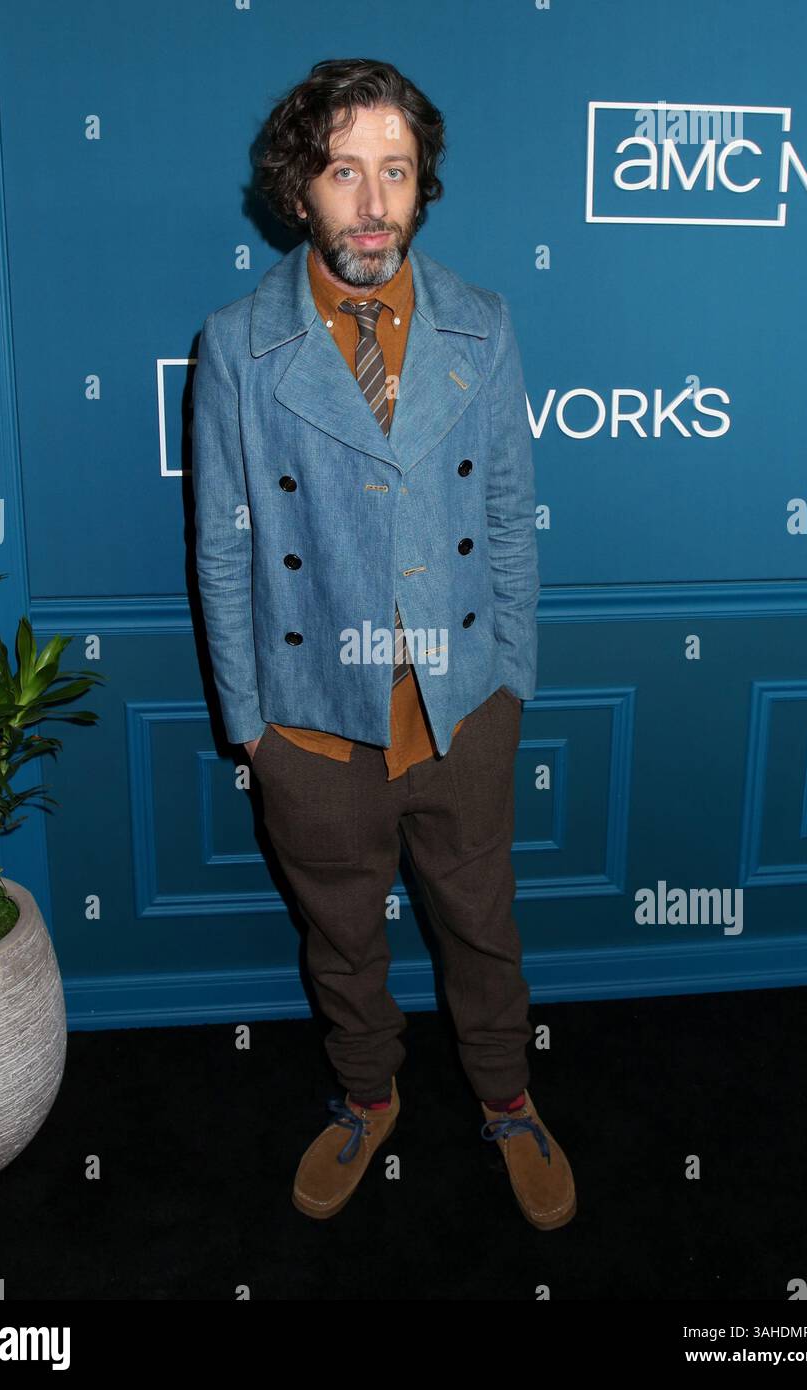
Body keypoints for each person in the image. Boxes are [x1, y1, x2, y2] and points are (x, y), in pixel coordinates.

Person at [192, 57, 575, 1230]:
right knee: (343, 941)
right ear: (297, 190)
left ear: (421, 187)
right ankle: (368, 1096)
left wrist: (510, 677)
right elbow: (223, 548)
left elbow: (509, 514)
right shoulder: (237, 348)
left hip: (462, 708)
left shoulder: (484, 324)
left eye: (394, 172)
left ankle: (506, 1096)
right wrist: (252, 727)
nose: (371, 203)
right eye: (342, 171)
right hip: (313, 720)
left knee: (483, 927)